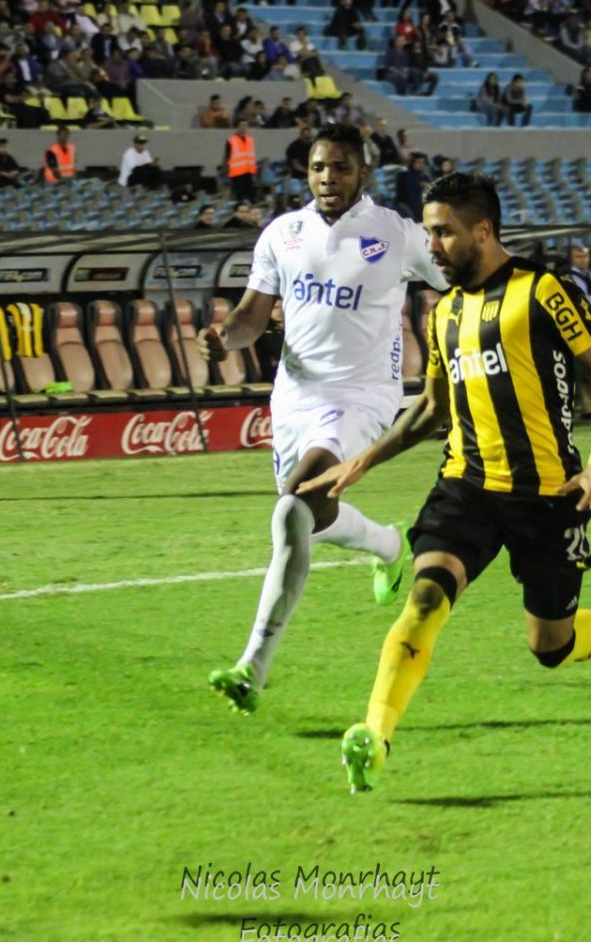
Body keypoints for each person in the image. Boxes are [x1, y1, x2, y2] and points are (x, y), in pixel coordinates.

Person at [295, 171, 591, 793]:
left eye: (443, 232)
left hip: (550, 495)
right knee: (423, 601)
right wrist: (365, 458)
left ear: (484, 230)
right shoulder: (442, 313)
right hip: (466, 486)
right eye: (427, 233)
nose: (432, 246)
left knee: (551, 647)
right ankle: (375, 736)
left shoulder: (543, 290)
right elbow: (432, 411)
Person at [198, 122, 449, 715]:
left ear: (364, 173)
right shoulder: (281, 235)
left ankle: (252, 667)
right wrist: (222, 338)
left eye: (339, 167)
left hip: (363, 395)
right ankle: (389, 544)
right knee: (307, 516)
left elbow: (457, 277)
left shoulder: (396, 233)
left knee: (293, 506)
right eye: (317, 168)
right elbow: (251, 317)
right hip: (294, 398)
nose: (327, 178)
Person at [222, 118, 257, 201]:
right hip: (237, 172)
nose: (244, 127)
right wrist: (225, 170)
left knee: (251, 194)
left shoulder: (250, 139)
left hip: (249, 171)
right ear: (237, 127)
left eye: (246, 125)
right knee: (239, 195)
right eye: (242, 125)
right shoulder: (231, 140)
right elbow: (227, 156)